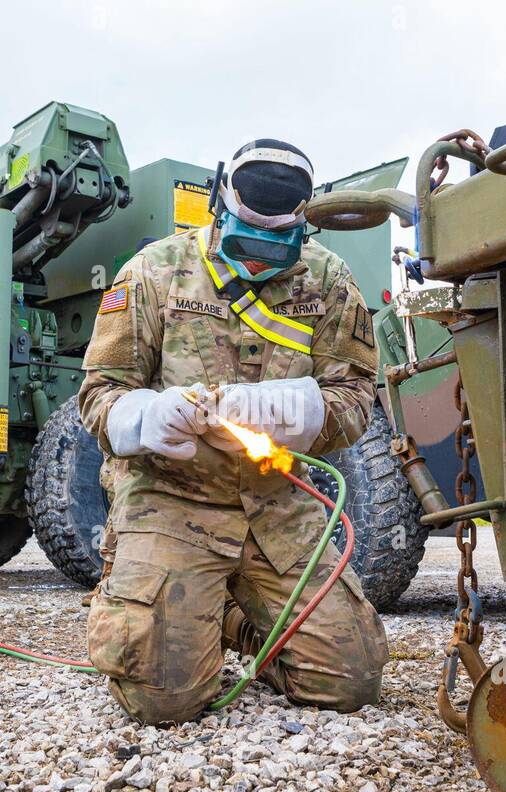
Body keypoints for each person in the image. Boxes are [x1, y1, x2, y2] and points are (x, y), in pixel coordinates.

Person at [77, 139, 388, 724]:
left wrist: (296, 409)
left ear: (303, 217)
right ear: (222, 203)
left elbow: (356, 399)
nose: (258, 259)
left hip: (275, 502)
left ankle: (224, 620)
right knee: (163, 701)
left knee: (351, 683)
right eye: (248, 235)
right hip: (174, 497)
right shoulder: (154, 271)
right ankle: (179, 606)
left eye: (277, 241)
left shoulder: (328, 280)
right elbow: (98, 395)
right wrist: (147, 417)